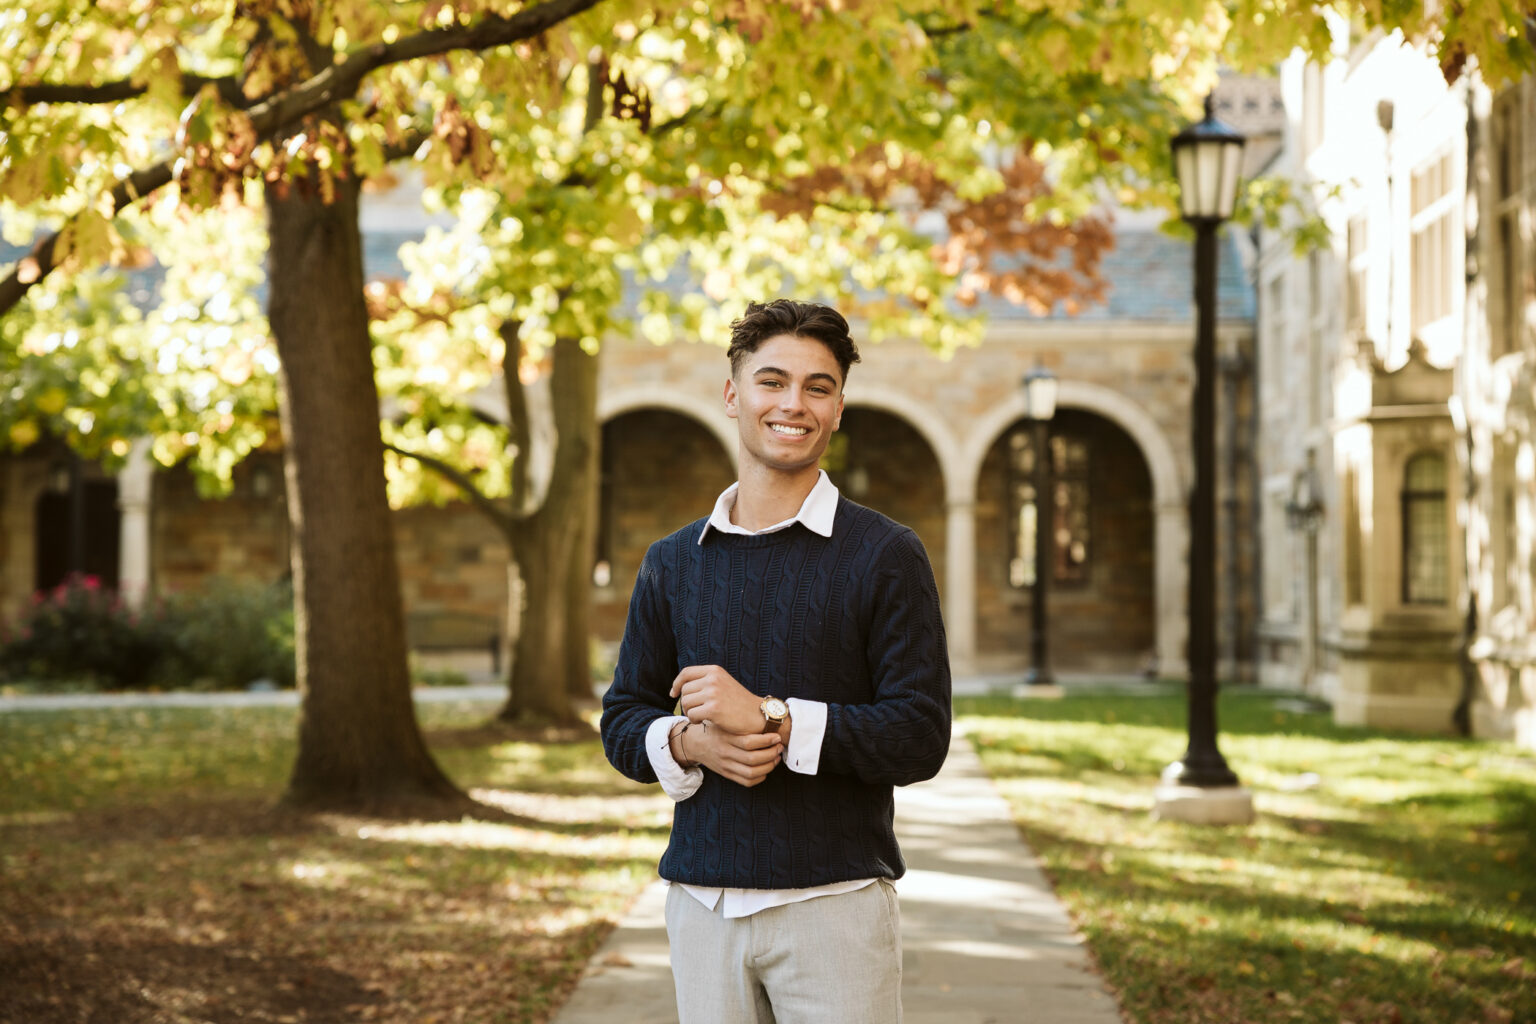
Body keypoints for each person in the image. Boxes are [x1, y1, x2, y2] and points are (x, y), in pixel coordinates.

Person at [600, 298, 952, 1024]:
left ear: (839, 408)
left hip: (836, 909)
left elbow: (920, 734)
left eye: (818, 387)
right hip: (703, 908)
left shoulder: (885, 555)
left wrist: (773, 720)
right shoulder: (671, 563)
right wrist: (692, 741)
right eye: (772, 381)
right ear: (734, 396)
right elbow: (622, 718)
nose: (794, 403)